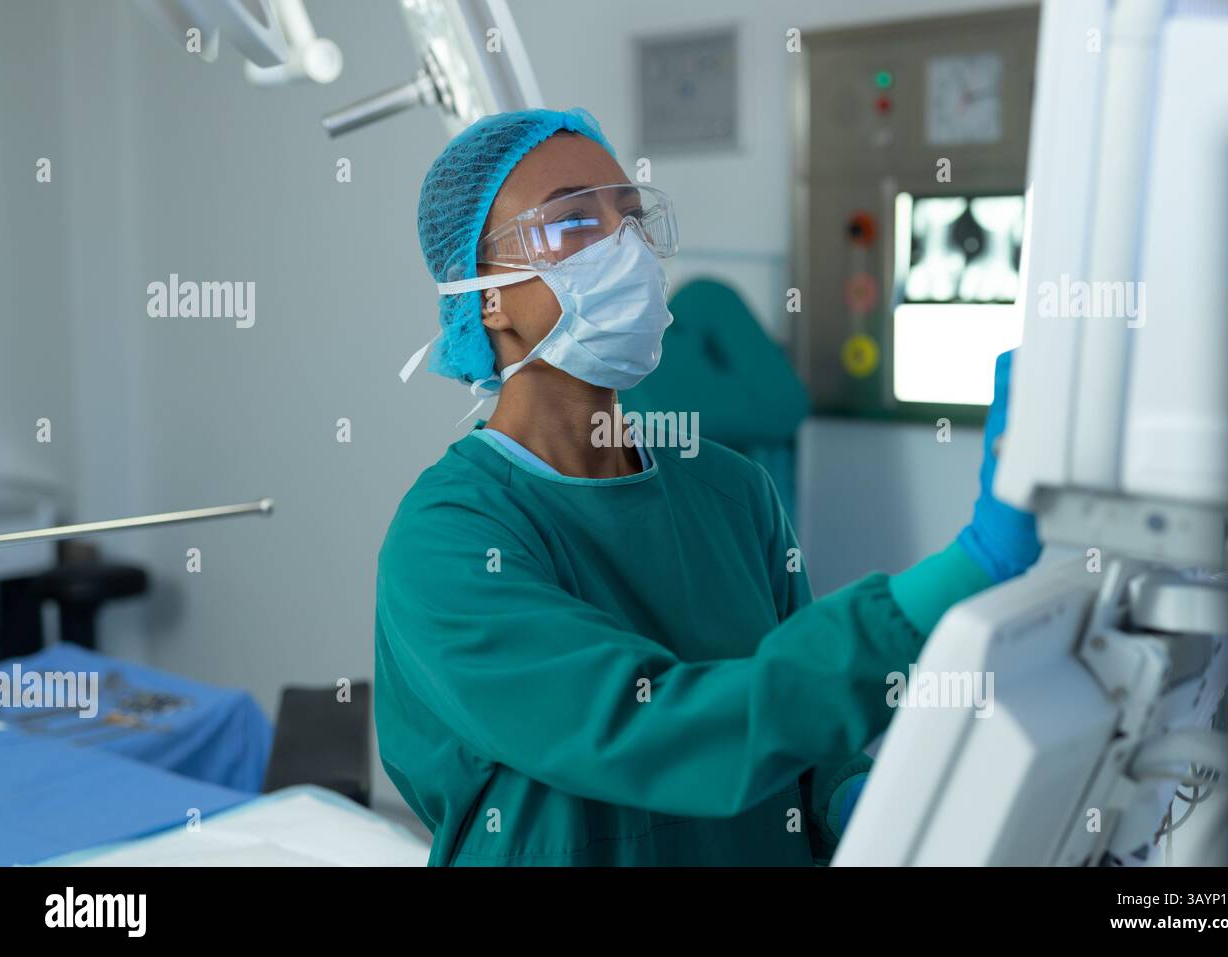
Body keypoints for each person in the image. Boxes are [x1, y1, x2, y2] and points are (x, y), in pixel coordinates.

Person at [375, 107, 1040, 866]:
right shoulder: (452, 537)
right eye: (572, 225)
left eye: (630, 216)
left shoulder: (732, 491)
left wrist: (848, 799)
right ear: (485, 293)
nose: (623, 248)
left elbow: (798, 726)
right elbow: (648, 729)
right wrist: (967, 567)